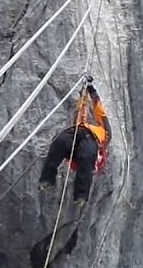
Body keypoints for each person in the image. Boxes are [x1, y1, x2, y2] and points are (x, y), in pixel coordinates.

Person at [39, 76, 111, 207]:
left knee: (86, 154)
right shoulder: (101, 133)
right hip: (77, 134)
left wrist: (90, 91)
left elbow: (99, 114)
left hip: (90, 140)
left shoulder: (102, 140)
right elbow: (89, 110)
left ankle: (81, 196)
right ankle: (47, 180)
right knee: (59, 141)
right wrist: (88, 90)